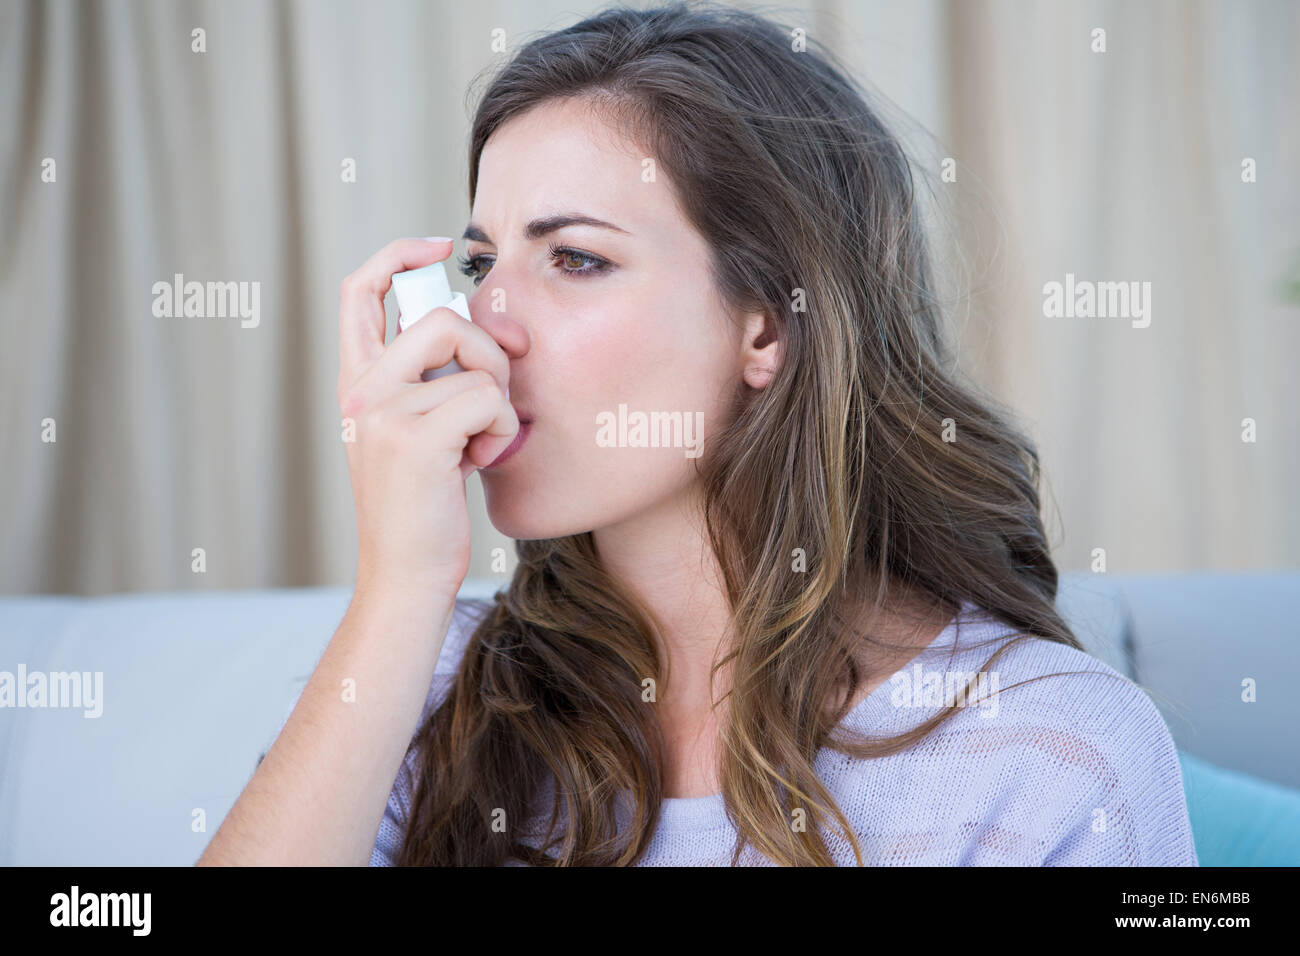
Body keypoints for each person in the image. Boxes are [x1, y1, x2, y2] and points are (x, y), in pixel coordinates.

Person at [198, 1, 1197, 867]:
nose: (483, 328)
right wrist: (398, 586)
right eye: (481, 264)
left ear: (766, 323)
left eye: (576, 259)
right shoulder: (428, 684)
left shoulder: (1048, 748)